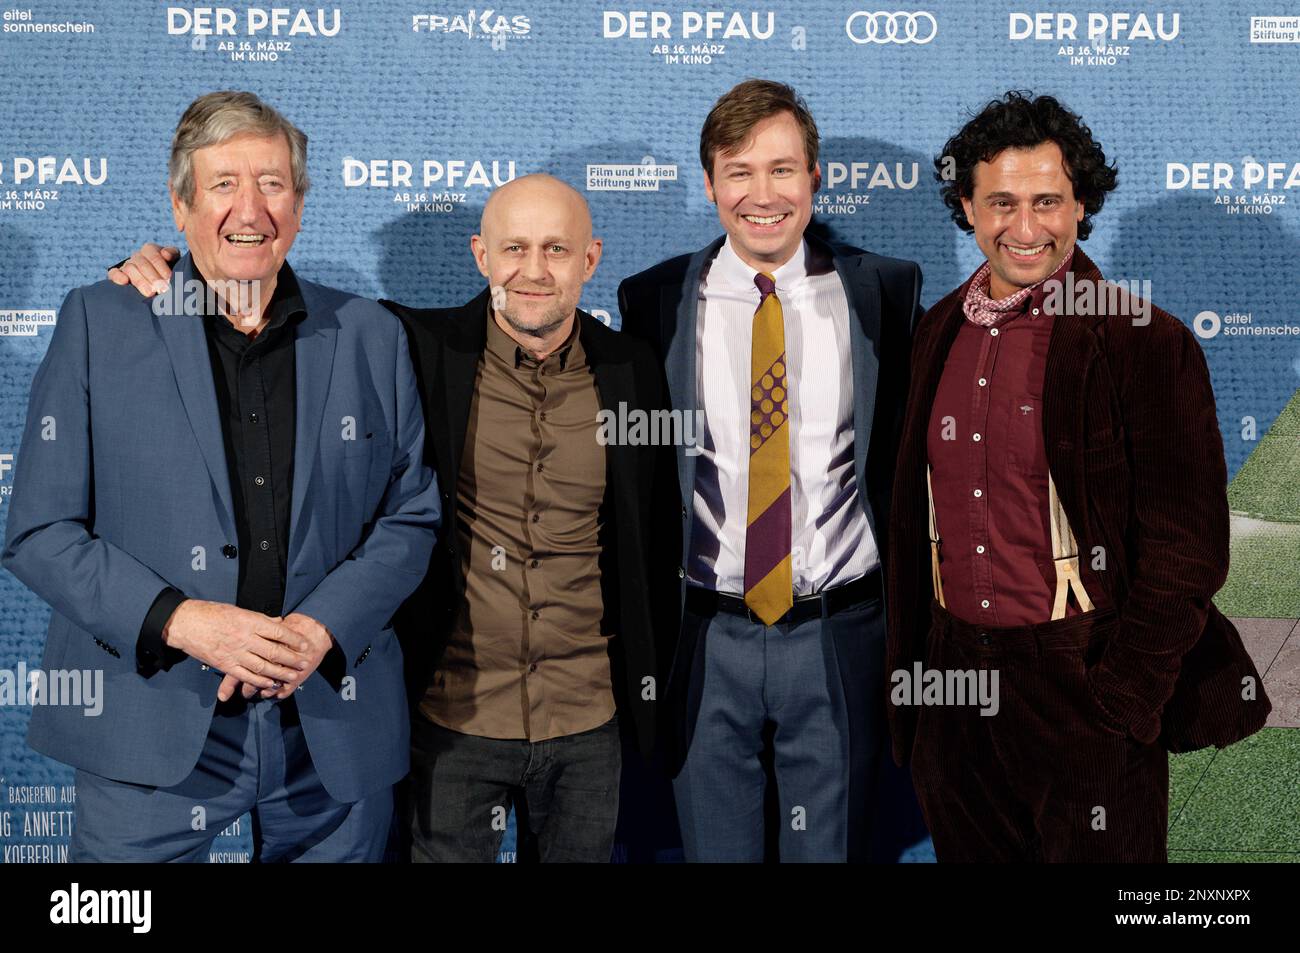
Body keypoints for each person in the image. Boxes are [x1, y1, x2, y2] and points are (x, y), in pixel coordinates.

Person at [108, 173, 670, 863]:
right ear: (480, 255)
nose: (533, 269)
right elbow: (269, 295)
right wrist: (177, 269)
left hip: (590, 726)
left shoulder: (633, 369)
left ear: (590, 260)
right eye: (514, 247)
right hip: (453, 719)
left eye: (556, 249)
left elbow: (652, 538)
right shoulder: (415, 345)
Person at [3, 90, 440, 862]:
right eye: (223, 184)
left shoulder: (370, 334)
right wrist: (182, 620)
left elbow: (408, 516)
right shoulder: (101, 323)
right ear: (180, 205)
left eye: (272, 183)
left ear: (300, 205)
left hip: (328, 736)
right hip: (150, 729)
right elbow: (41, 531)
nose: (251, 207)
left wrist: (321, 627)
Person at [885, 91, 1271, 862]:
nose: (1024, 228)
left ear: (1081, 204)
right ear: (966, 205)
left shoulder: (1145, 342)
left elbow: (1185, 554)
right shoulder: (934, 332)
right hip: (956, 686)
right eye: (1000, 201)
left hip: (1081, 677)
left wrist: (1121, 699)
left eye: (1046, 201)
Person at [618, 79, 923, 862]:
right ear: (711, 182)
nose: (763, 194)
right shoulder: (653, 299)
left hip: (840, 632)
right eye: (739, 171)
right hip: (703, 635)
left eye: (783, 169)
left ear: (815, 179)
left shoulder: (884, 291)